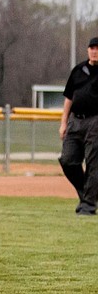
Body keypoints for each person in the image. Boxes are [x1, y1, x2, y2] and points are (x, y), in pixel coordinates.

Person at [59, 36, 98, 216]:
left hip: (95, 121)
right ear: (88, 50)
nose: (94, 51)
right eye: (92, 48)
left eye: (97, 48)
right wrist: (63, 122)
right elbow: (69, 97)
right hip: (76, 120)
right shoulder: (78, 70)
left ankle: (88, 205)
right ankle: (87, 195)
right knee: (67, 159)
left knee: (93, 162)